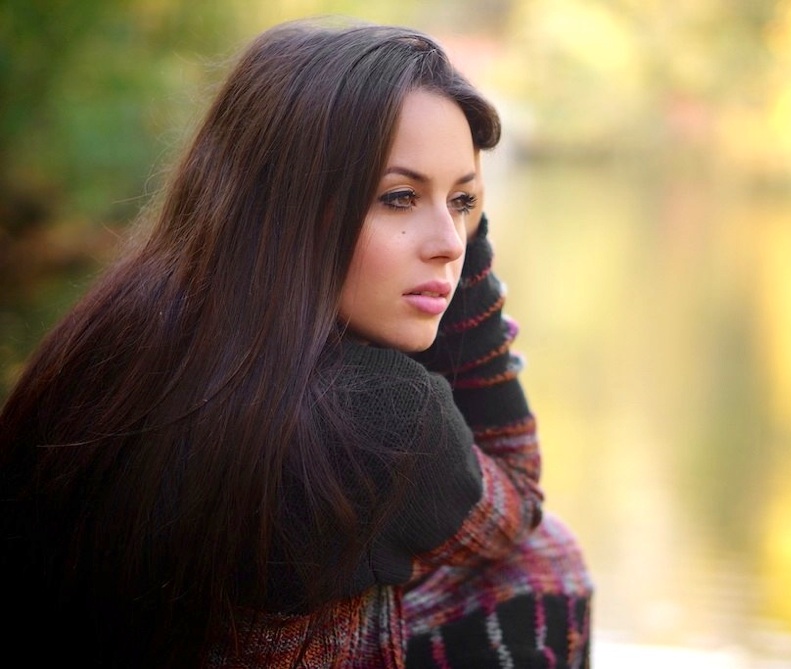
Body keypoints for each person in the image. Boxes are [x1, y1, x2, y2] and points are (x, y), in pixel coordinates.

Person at [0, 18, 592, 668]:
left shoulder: (115, 332)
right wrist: (475, 261)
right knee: (546, 563)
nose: (450, 243)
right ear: (290, 202)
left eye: (463, 202)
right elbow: (515, 507)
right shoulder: (381, 415)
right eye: (400, 197)